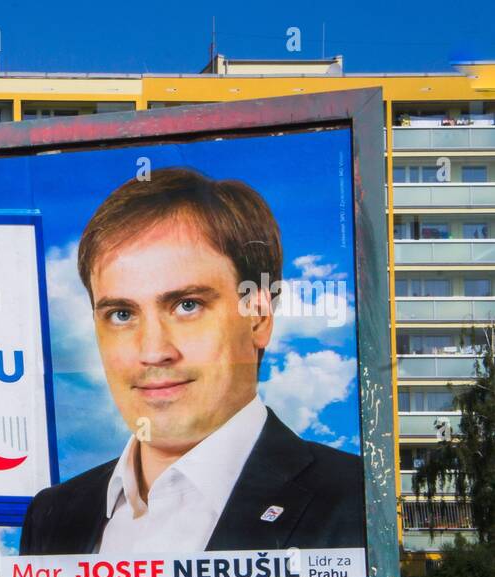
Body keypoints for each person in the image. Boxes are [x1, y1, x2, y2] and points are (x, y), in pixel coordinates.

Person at [20, 167, 364, 555]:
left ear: (259, 318)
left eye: (187, 305)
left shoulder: (357, 500)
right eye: (121, 314)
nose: (153, 351)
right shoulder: (51, 517)